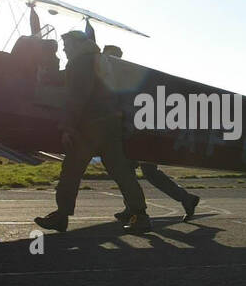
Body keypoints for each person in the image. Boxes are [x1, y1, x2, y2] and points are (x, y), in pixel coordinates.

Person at [35, 31, 150, 233]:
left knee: (70, 172)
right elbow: (72, 80)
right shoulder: (97, 60)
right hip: (110, 125)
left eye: (67, 45)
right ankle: (140, 215)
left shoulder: (80, 63)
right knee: (121, 172)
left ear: (77, 45)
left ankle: (61, 216)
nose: (64, 49)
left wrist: (68, 127)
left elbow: (77, 96)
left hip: (89, 127)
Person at [102, 44, 201, 221]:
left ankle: (138, 208)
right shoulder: (128, 77)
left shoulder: (124, 80)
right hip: (143, 133)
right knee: (143, 172)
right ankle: (184, 199)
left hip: (145, 134)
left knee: (132, 171)